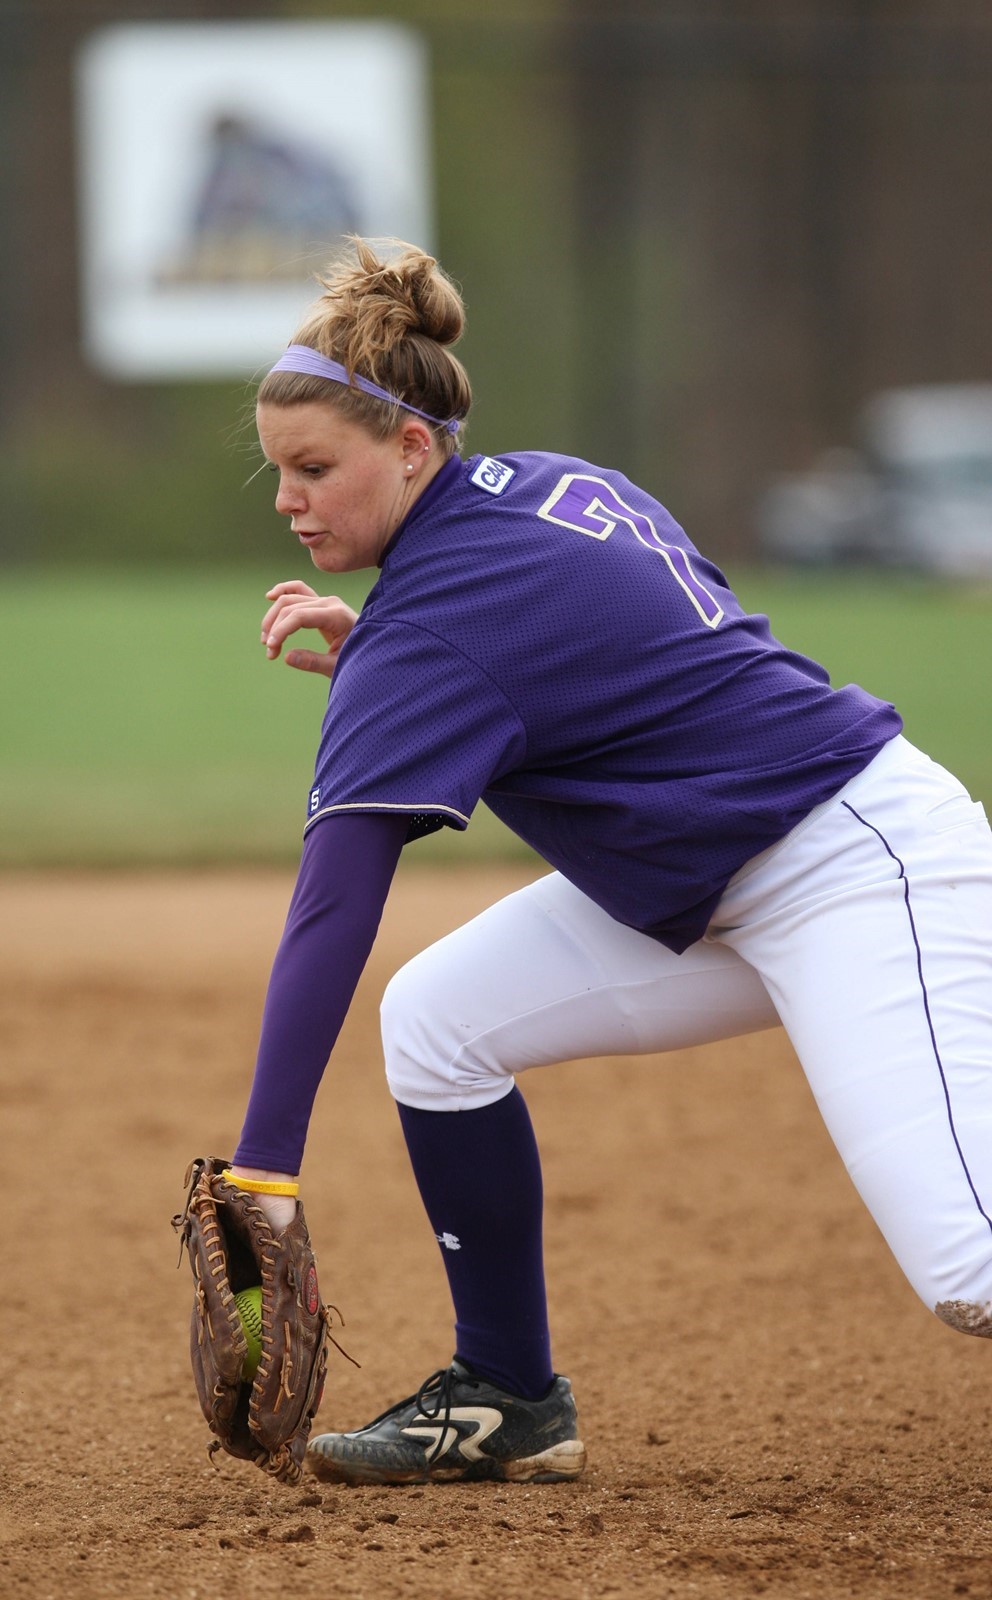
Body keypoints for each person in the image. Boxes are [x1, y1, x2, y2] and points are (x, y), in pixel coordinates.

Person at [227, 237, 992, 1488]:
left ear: (411, 449)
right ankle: (509, 1395)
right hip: (716, 877)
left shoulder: (430, 632)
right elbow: (604, 640)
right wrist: (389, 655)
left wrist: (262, 1168)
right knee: (438, 1020)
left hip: (859, 860)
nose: (287, 498)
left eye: (315, 467)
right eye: (278, 472)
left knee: (967, 1269)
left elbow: (332, 908)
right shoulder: (546, 483)